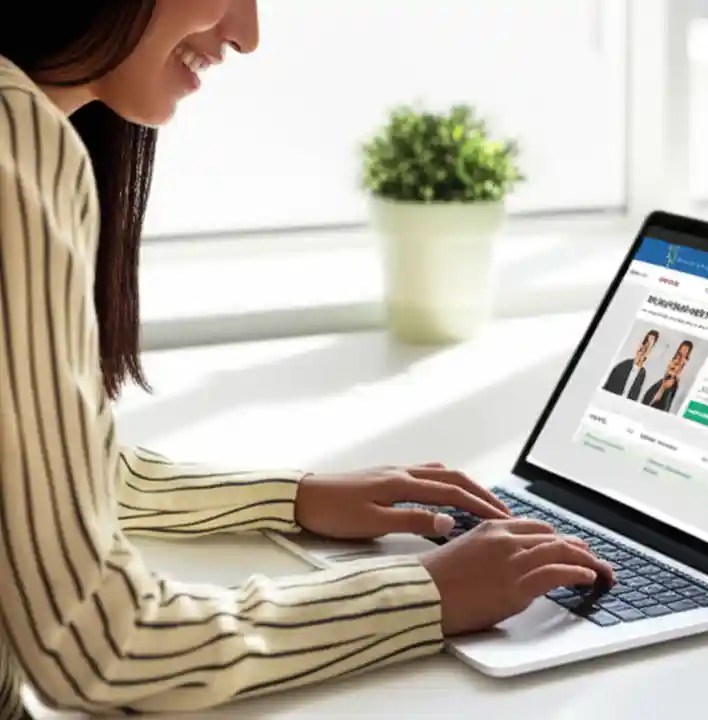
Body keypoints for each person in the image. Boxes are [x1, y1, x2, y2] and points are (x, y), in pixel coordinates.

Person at [0, 4, 613, 717]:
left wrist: (295, 496)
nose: (246, 33)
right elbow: (109, 647)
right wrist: (424, 596)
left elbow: (54, 469)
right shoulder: (16, 143)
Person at [602, 329, 658, 401]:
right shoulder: (622, 366)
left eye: (650, 345)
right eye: (645, 342)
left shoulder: (642, 374)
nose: (645, 348)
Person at [642, 340, 694, 413]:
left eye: (684, 357)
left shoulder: (681, 389)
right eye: (678, 354)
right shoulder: (657, 378)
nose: (679, 359)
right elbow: (644, 403)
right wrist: (663, 387)